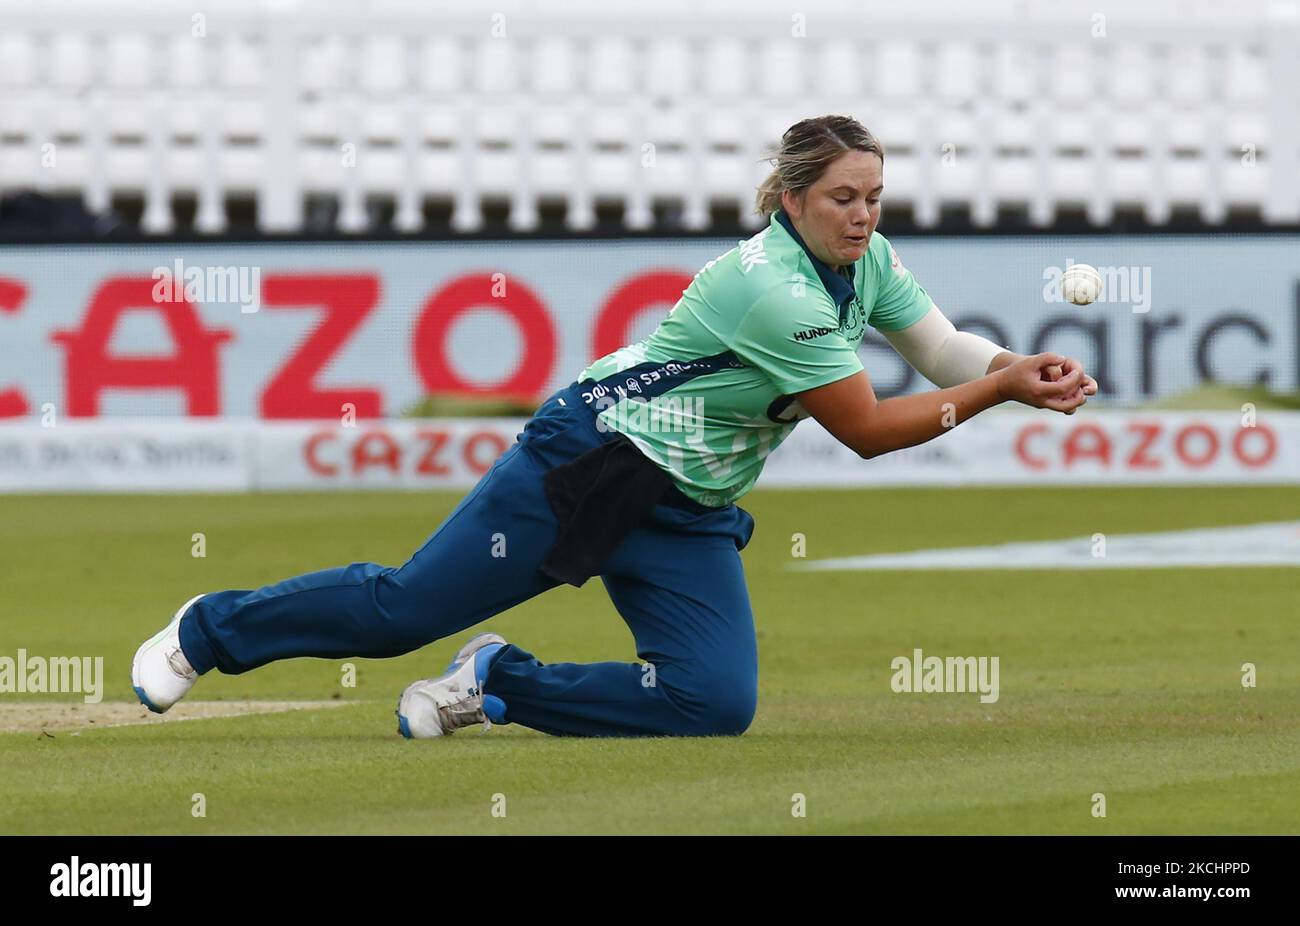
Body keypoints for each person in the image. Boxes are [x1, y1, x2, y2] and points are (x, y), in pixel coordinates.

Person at [132, 114, 1098, 739]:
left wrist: (1007, 365)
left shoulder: (864, 259)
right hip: (593, 460)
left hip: (688, 503)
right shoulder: (770, 289)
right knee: (401, 614)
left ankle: (497, 680)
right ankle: (208, 630)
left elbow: (936, 352)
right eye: (843, 198)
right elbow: (869, 430)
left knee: (713, 703)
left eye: (874, 197)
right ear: (790, 201)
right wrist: (1003, 389)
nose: (862, 215)